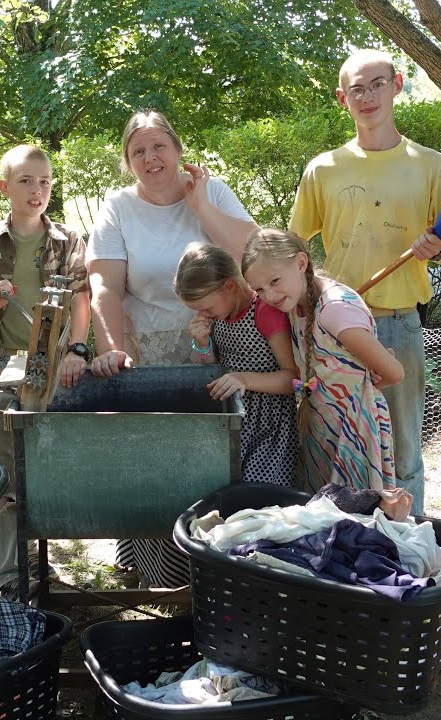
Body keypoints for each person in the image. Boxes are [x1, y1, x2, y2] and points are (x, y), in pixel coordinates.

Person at [87, 109, 259, 589]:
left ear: (178, 150)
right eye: (138, 150)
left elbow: (254, 251)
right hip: (146, 350)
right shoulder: (117, 206)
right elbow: (103, 285)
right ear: (128, 161)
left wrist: (201, 205)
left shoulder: (213, 191)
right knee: (150, 456)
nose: (150, 157)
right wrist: (112, 349)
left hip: (217, 342)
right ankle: (148, 567)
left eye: (159, 145)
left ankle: (214, 568)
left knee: (210, 456)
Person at [288, 49, 441, 516]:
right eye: (357, 89)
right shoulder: (323, 168)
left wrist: (436, 248)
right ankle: (342, 548)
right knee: (337, 442)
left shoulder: (431, 165)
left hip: (400, 324)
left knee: (403, 447)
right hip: (336, 329)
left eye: (377, 84)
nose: (368, 97)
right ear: (343, 99)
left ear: (398, 84)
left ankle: (409, 546)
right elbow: (293, 248)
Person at [0, 144, 91, 598]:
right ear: (5, 187)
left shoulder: (67, 241)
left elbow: (82, 298)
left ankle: (40, 565)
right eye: (26, 181)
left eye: (44, 181)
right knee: (0, 472)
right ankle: (8, 576)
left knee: (43, 468)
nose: (37, 190)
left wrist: (78, 349)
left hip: (49, 368)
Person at [241, 227, 406, 499]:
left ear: (301, 263)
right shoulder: (294, 304)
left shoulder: (336, 310)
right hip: (321, 425)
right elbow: (311, 378)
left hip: (353, 432)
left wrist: (370, 383)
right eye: (259, 289)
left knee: (354, 515)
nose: (268, 296)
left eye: (274, 281)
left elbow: (394, 372)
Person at [173, 242, 299, 486]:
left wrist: (244, 379)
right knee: (226, 486)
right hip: (234, 420)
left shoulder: (264, 312)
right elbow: (216, 368)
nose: (204, 314)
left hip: (270, 425)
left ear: (229, 286)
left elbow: (293, 380)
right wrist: (202, 344)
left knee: (258, 492)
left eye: (206, 307)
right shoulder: (221, 314)